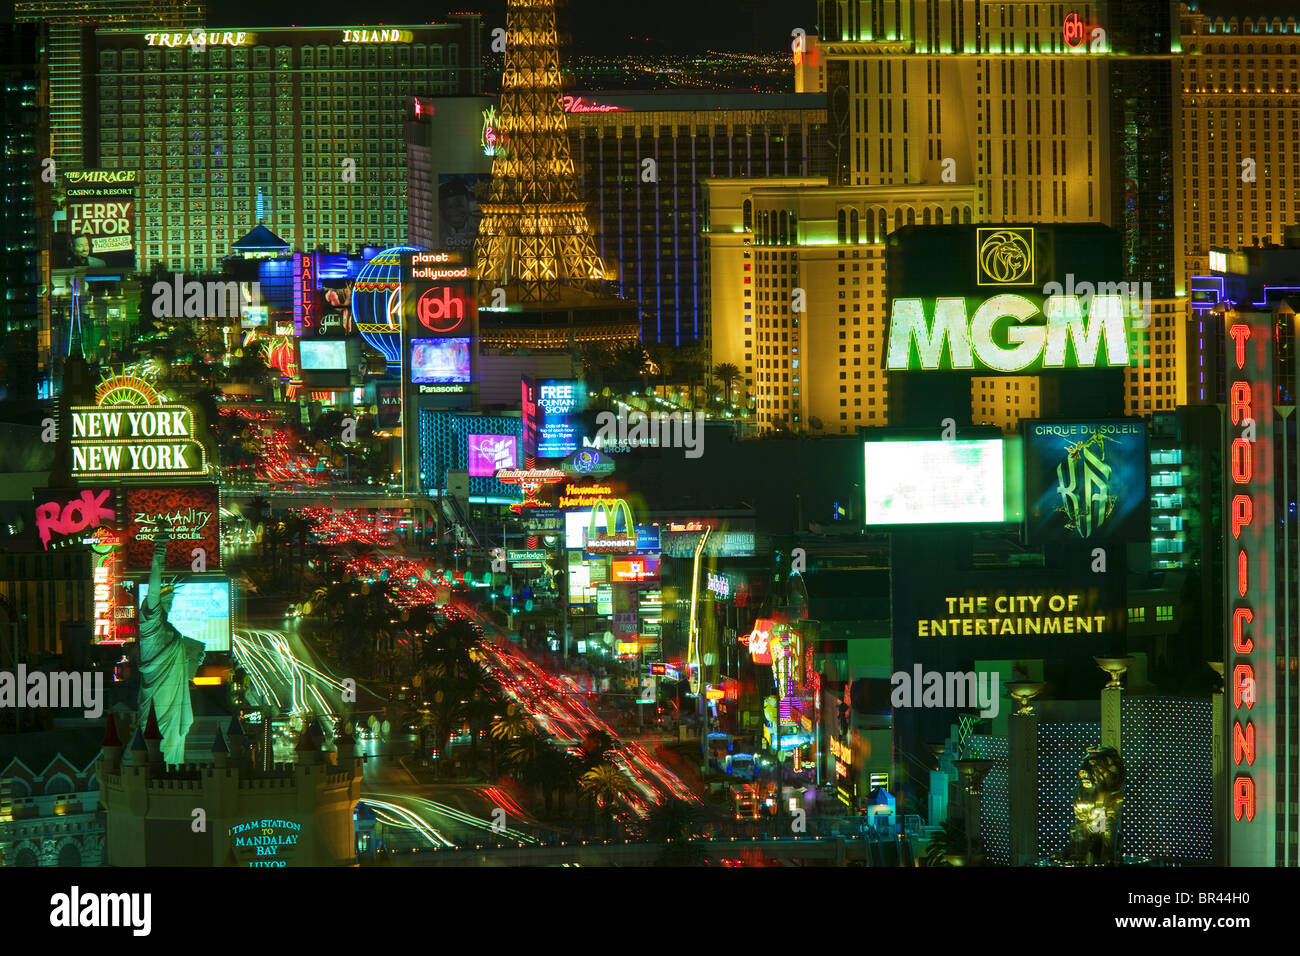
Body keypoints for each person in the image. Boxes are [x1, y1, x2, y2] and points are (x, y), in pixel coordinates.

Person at [137, 527, 206, 765]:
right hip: (157, 700)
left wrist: (191, 663)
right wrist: (159, 556)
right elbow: (154, 589)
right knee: (157, 746)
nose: (170, 605)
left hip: (174, 699)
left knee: (174, 746)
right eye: (169, 601)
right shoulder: (150, 627)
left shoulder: (164, 628)